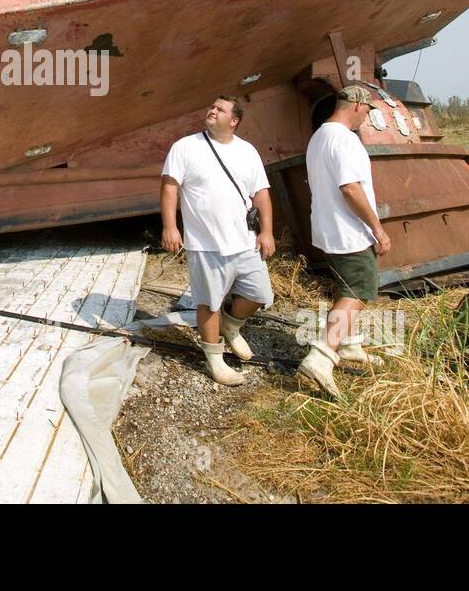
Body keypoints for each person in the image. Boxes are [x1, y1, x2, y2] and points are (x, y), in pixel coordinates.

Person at [160, 96, 276, 385]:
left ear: (234, 121)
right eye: (211, 107)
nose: (211, 110)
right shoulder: (185, 147)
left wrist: (267, 232)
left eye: (219, 109)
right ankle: (215, 359)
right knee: (208, 303)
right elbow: (170, 187)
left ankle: (232, 325)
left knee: (259, 294)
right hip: (206, 244)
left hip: (245, 241)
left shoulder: (248, 151)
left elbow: (261, 193)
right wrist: (170, 227)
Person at [298, 84, 391, 398]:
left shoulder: (319, 137)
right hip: (350, 232)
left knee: (343, 286)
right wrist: (378, 228)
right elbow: (350, 188)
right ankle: (321, 356)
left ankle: (348, 344)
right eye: (367, 110)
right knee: (359, 290)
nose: (367, 116)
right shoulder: (344, 140)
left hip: (327, 228)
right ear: (357, 106)